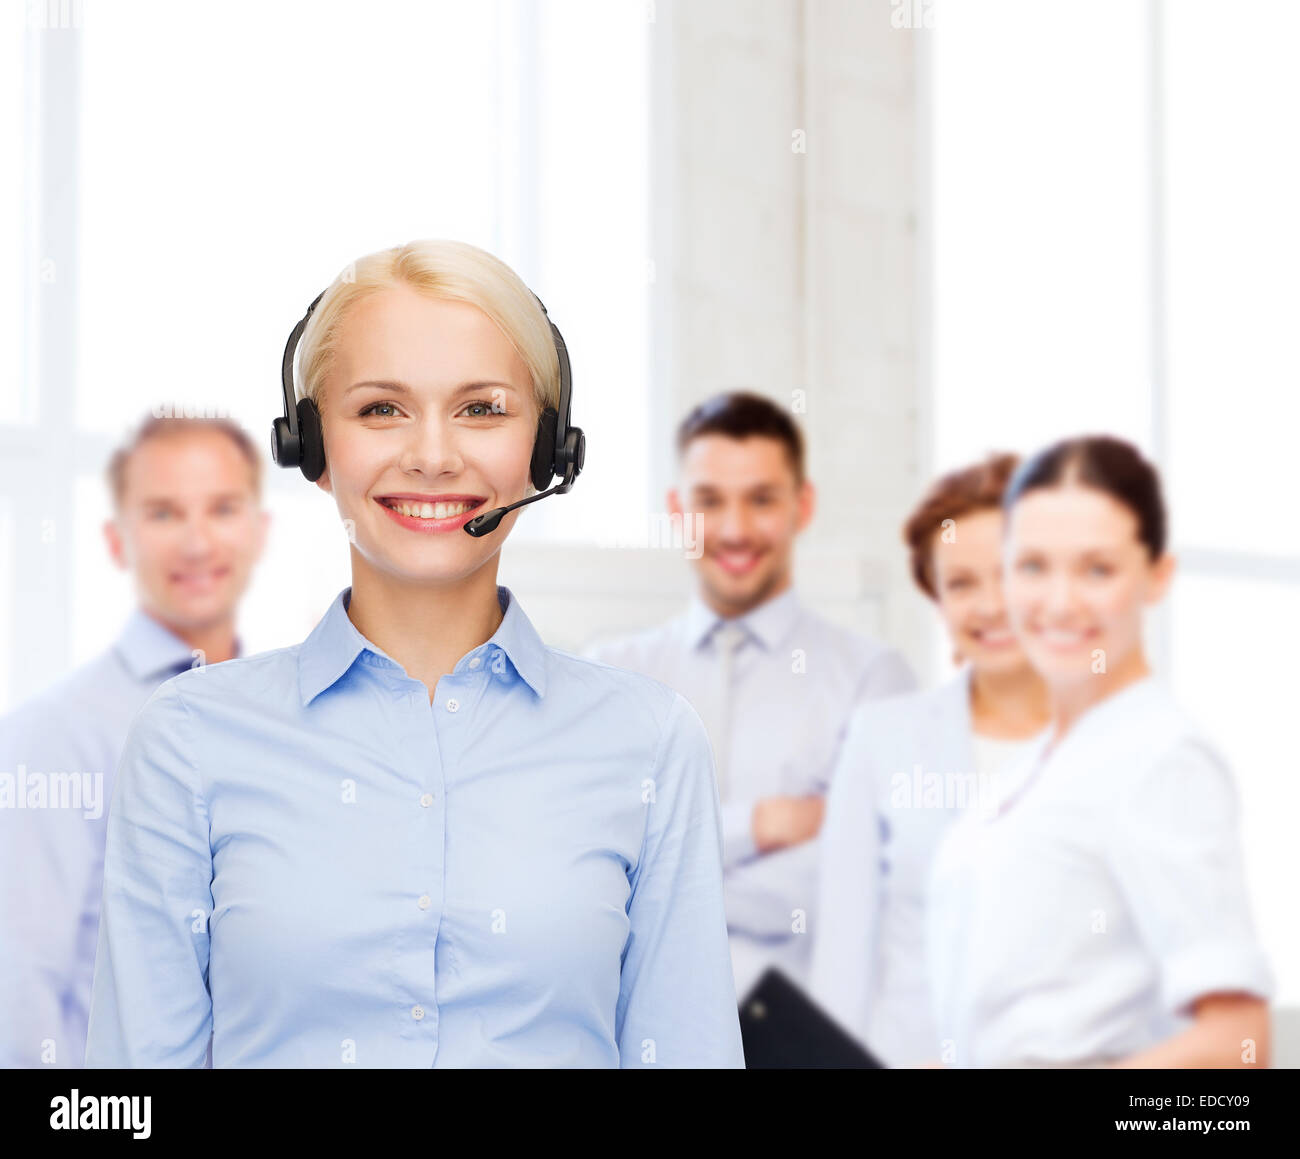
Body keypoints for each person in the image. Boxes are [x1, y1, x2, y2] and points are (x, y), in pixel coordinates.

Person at [84, 239, 744, 1068]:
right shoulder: (187, 739)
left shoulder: (649, 741)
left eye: (482, 409)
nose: (433, 454)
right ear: (311, 447)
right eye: (381, 409)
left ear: (548, 450)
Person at [926, 435, 1273, 1068]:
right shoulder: (1030, 771)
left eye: (1097, 569)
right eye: (1032, 566)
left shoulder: (1161, 759)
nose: (1060, 602)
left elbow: (1241, 1050)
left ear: (1157, 575)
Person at [586, 392, 915, 1001]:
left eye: (762, 499)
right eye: (710, 501)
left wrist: (658, 878)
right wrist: (765, 825)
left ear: (802, 505)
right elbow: (586, 866)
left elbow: (855, 885)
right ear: (677, 510)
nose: (735, 530)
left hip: (801, 1042)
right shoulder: (609, 677)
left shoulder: (875, 680)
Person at [0, 415, 266, 1068]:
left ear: (260, 531)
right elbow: (21, 994)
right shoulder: (54, 734)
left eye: (224, 508)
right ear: (117, 540)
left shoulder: (280, 720)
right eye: (164, 513)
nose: (198, 542)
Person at [809, 452, 1051, 1066]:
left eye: (1008, 574)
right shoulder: (882, 738)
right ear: (937, 600)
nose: (989, 606)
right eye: (961, 584)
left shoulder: (1112, 748)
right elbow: (844, 959)